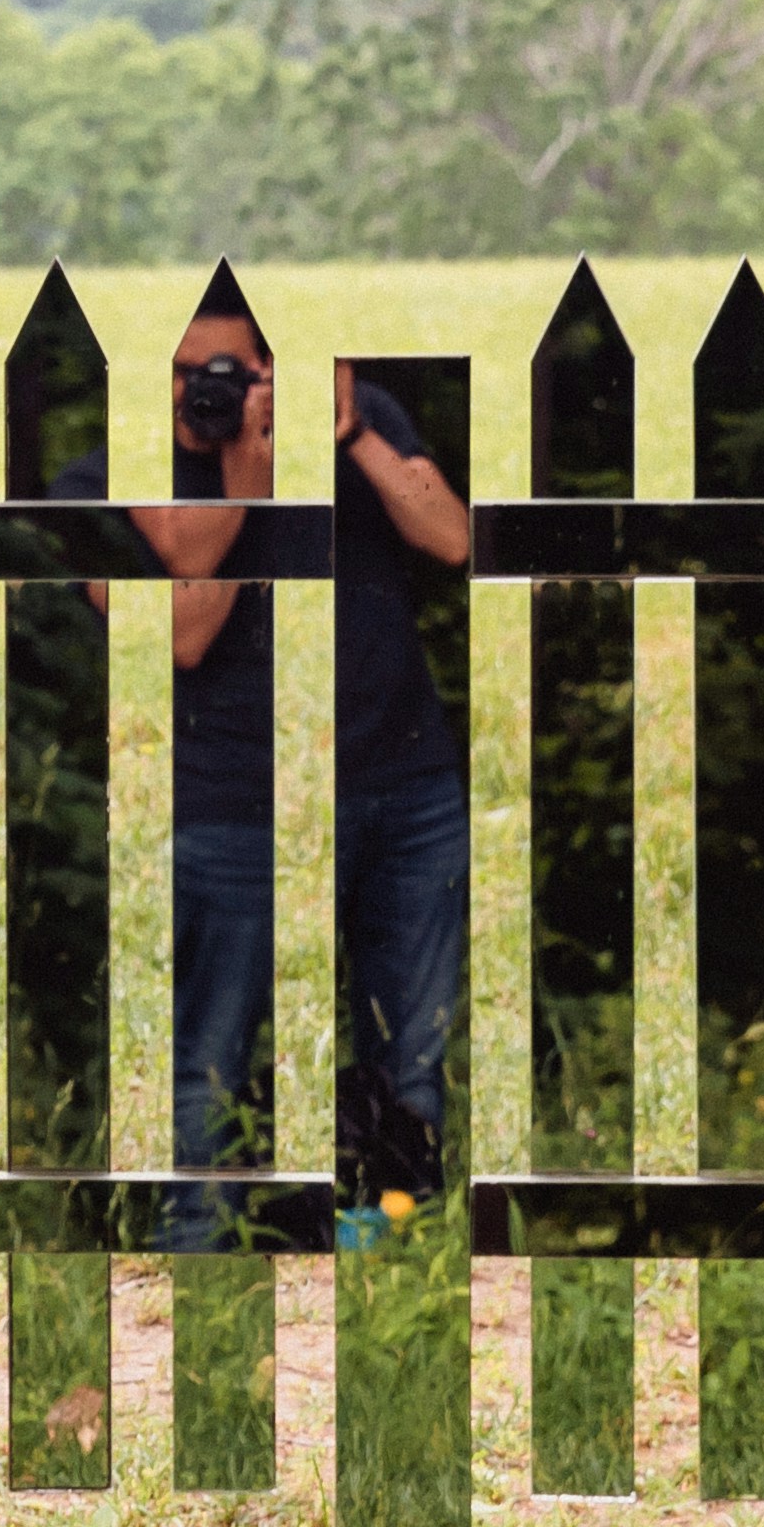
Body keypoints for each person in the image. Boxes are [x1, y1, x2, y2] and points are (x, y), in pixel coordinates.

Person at [124, 301, 292, 1251]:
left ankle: (382, 1249)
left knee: (391, 1051)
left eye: (227, 371)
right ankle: (190, 1262)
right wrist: (249, 487)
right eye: (187, 370)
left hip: (368, 792)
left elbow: (453, 541)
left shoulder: (327, 450)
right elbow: (185, 630)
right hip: (211, 808)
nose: (206, 391)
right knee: (206, 1060)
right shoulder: (106, 479)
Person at [333, 358, 475, 1212]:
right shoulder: (188, 428)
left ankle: (399, 1238)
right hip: (262, 788)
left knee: (411, 1048)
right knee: (234, 1040)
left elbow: (452, 538)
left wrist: (352, 433)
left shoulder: (366, 416)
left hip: (409, 779)